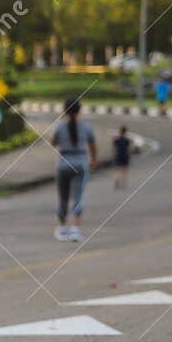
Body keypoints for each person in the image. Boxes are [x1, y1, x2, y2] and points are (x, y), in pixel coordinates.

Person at [52, 98, 97, 241]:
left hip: (63, 164)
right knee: (78, 197)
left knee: (63, 198)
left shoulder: (60, 126)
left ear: (64, 111)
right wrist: (93, 159)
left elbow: (53, 142)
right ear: (79, 110)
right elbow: (92, 145)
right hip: (81, 163)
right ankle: (75, 229)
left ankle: (63, 229)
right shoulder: (86, 127)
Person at [112, 125, 132, 190]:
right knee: (125, 170)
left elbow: (113, 148)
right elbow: (129, 149)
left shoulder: (116, 140)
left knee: (118, 169)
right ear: (125, 132)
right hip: (125, 156)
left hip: (118, 155)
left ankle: (117, 179)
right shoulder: (127, 140)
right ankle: (124, 183)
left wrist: (114, 155)